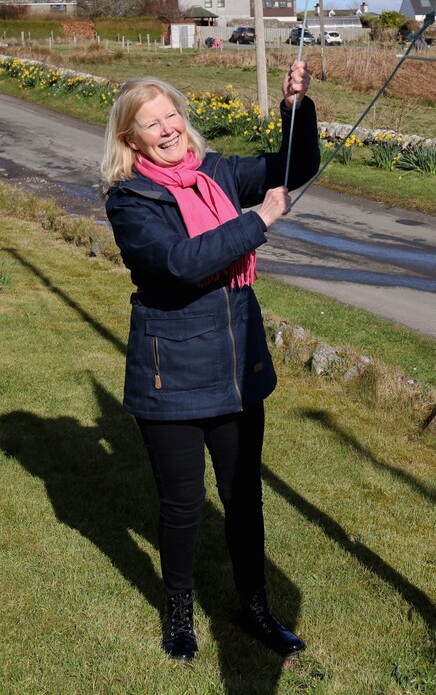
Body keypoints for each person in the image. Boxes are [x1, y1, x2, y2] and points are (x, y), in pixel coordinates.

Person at [101, 62, 319, 663]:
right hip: (170, 374)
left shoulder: (218, 171)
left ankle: (255, 608)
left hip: (237, 367)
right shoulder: (130, 201)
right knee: (183, 504)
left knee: (243, 495)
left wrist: (295, 109)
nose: (167, 128)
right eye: (151, 123)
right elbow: (180, 262)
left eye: (171, 114)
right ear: (131, 140)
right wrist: (259, 221)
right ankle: (178, 611)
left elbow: (295, 167)